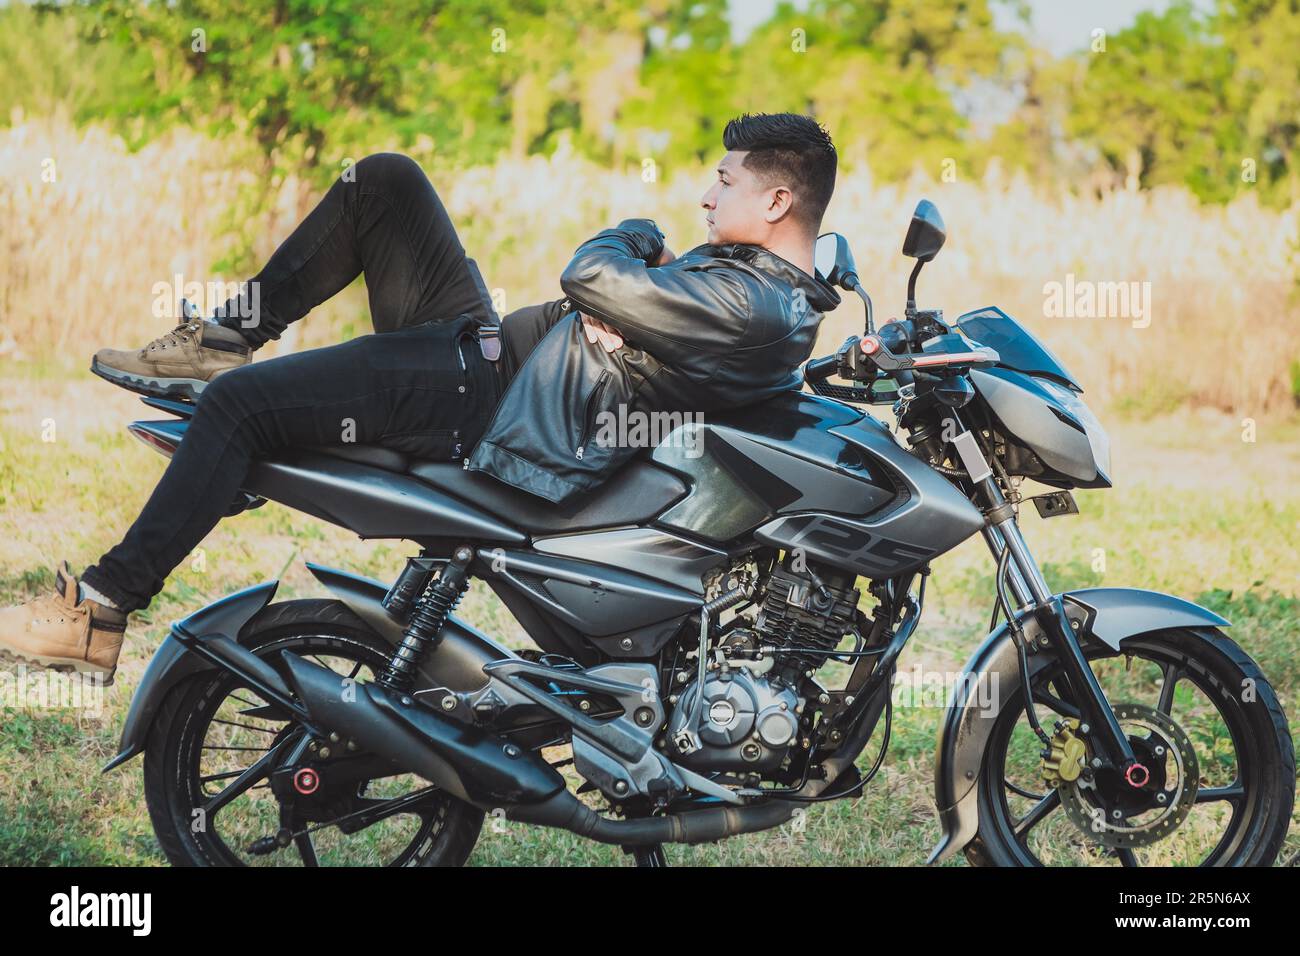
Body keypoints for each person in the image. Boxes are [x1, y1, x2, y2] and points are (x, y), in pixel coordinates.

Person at [0, 112, 840, 684]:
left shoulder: (751, 302)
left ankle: (100, 610)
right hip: (483, 348)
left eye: (724, 182)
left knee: (239, 407)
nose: (706, 196)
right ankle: (225, 338)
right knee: (384, 181)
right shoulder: (773, 286)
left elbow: (588, 274)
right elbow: (626, 305)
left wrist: (633, 239)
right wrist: (625, 307)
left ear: (776, 201)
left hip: (479, 395)